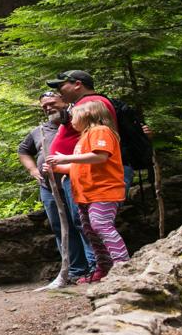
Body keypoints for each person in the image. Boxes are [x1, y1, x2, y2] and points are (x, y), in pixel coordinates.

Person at [45, 99, 130, 283]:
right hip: (86, 193)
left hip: (103, 190)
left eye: (73, 115)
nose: (70, 119)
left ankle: (123, 264)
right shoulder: (83, 137)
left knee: (100, 224)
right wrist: (57, 168)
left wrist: (66, 157)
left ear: (87, 115)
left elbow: (100, 157)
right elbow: (79, 167)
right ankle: (104, 267)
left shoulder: (101, 130)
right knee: (90, 229)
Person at [18, 92, 95, 288]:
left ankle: (95, 267)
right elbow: (23, 150)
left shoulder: (79, 124)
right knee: (60, 227)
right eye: (44, 106)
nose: (48, 108)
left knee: (82, 222)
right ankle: (76, 271)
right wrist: (33, 170)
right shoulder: (39, 131)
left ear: (65, 102)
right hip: (48, 186)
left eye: (52, 103)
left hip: (76, 181)